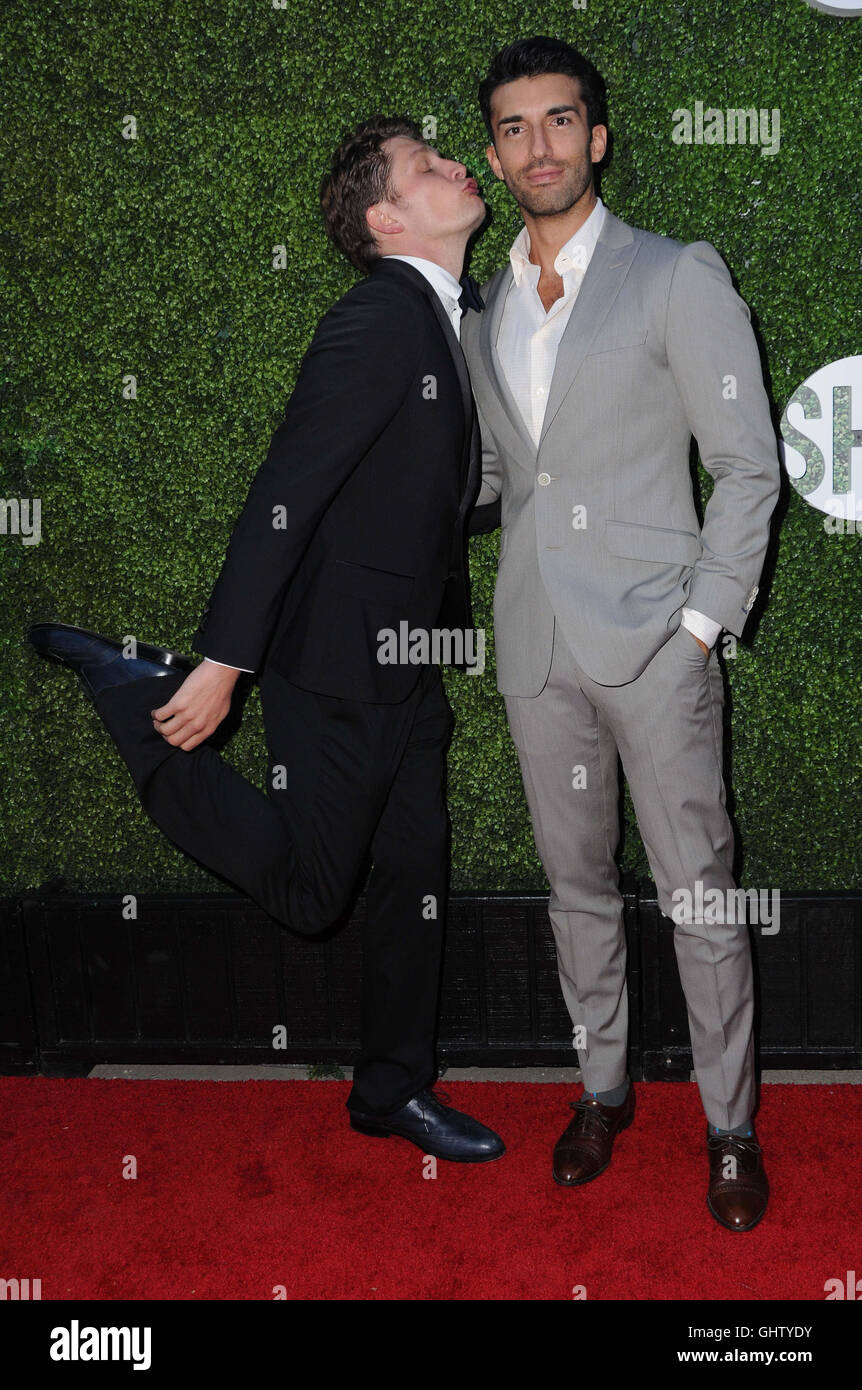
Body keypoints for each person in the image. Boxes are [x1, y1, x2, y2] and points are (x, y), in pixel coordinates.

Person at [29, 115, 504, 1165]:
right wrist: (223, 661)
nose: (457, 164)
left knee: (409, 886)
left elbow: (414, 495)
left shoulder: (439, 322)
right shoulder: (380, 316)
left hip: (411, 672)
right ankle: (130, 693)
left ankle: (392, 1092)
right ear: (386, 217)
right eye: (429, 166)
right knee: (310, 894)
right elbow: (286, 493)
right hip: (334, 668)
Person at [460, 38, 780, 1227]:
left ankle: (729, 1125)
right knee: (573, 887)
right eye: (512, 127)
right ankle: (600, 1089)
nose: (536, 144)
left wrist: (700, 627)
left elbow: (747, 466)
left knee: (698, 892)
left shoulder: (673, 275)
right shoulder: (485, 309)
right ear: (494, 154)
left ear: (596, 137)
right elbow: (502, 473)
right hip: (537, 648)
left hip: (655, 647)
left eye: (558, 120)